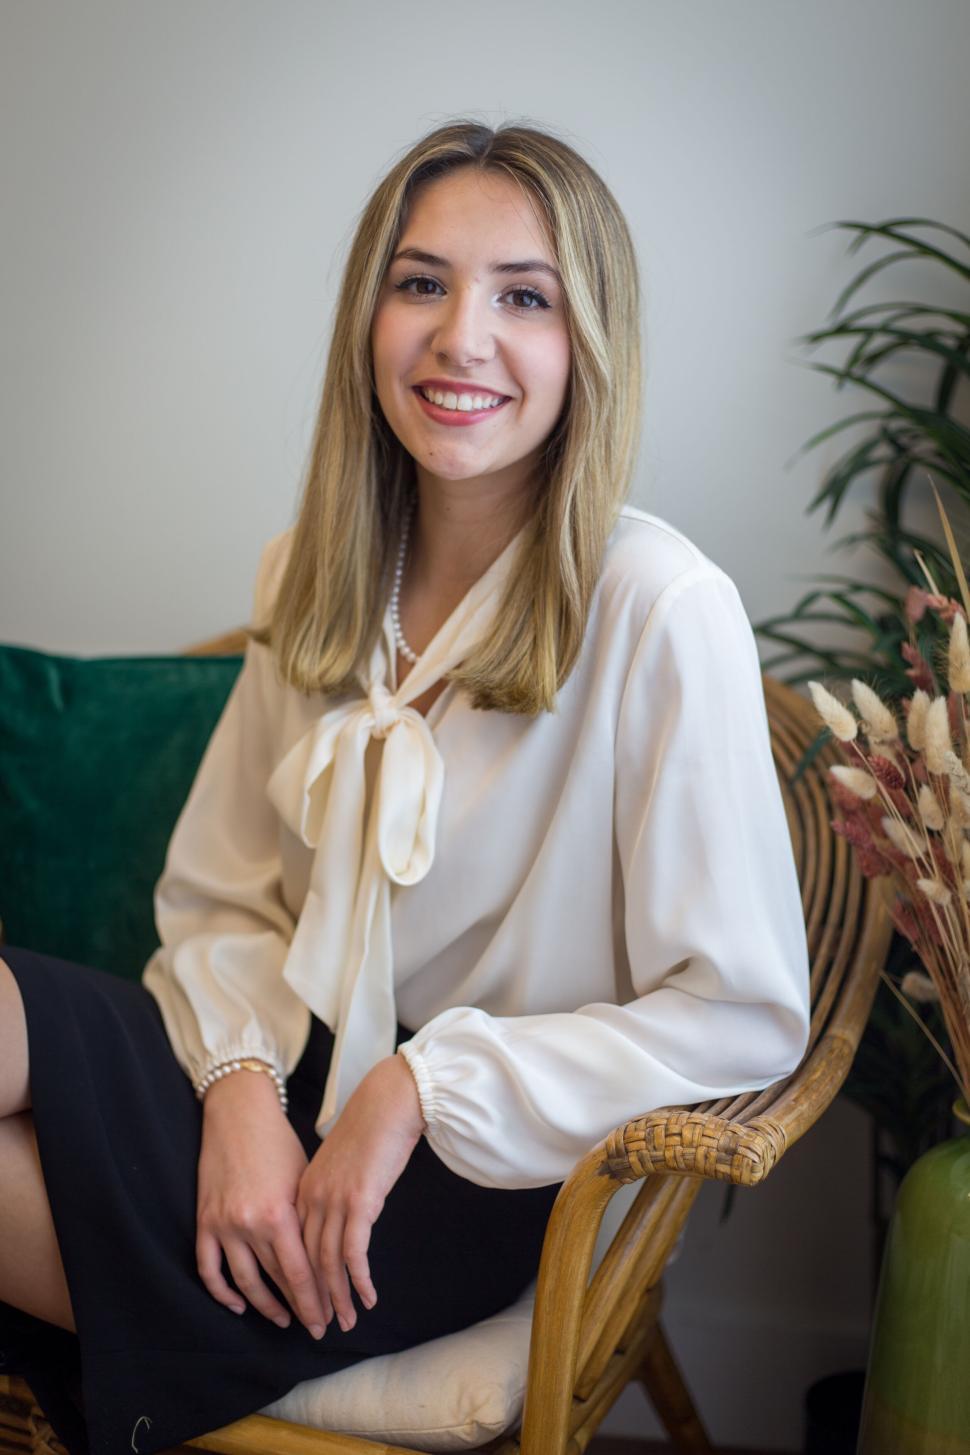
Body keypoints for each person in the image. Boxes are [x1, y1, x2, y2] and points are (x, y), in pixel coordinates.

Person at [0, 118, 811, 1455]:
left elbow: (738, 1014)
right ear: (367, 316)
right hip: (271, 1065)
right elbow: (215, 897)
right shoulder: (312, 572)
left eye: (522, 297)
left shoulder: (662, 610)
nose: (460, 338)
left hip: (473, 1170)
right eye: (420, 281)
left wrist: (421, 1090)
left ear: (585, 345)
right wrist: (245, 1090)